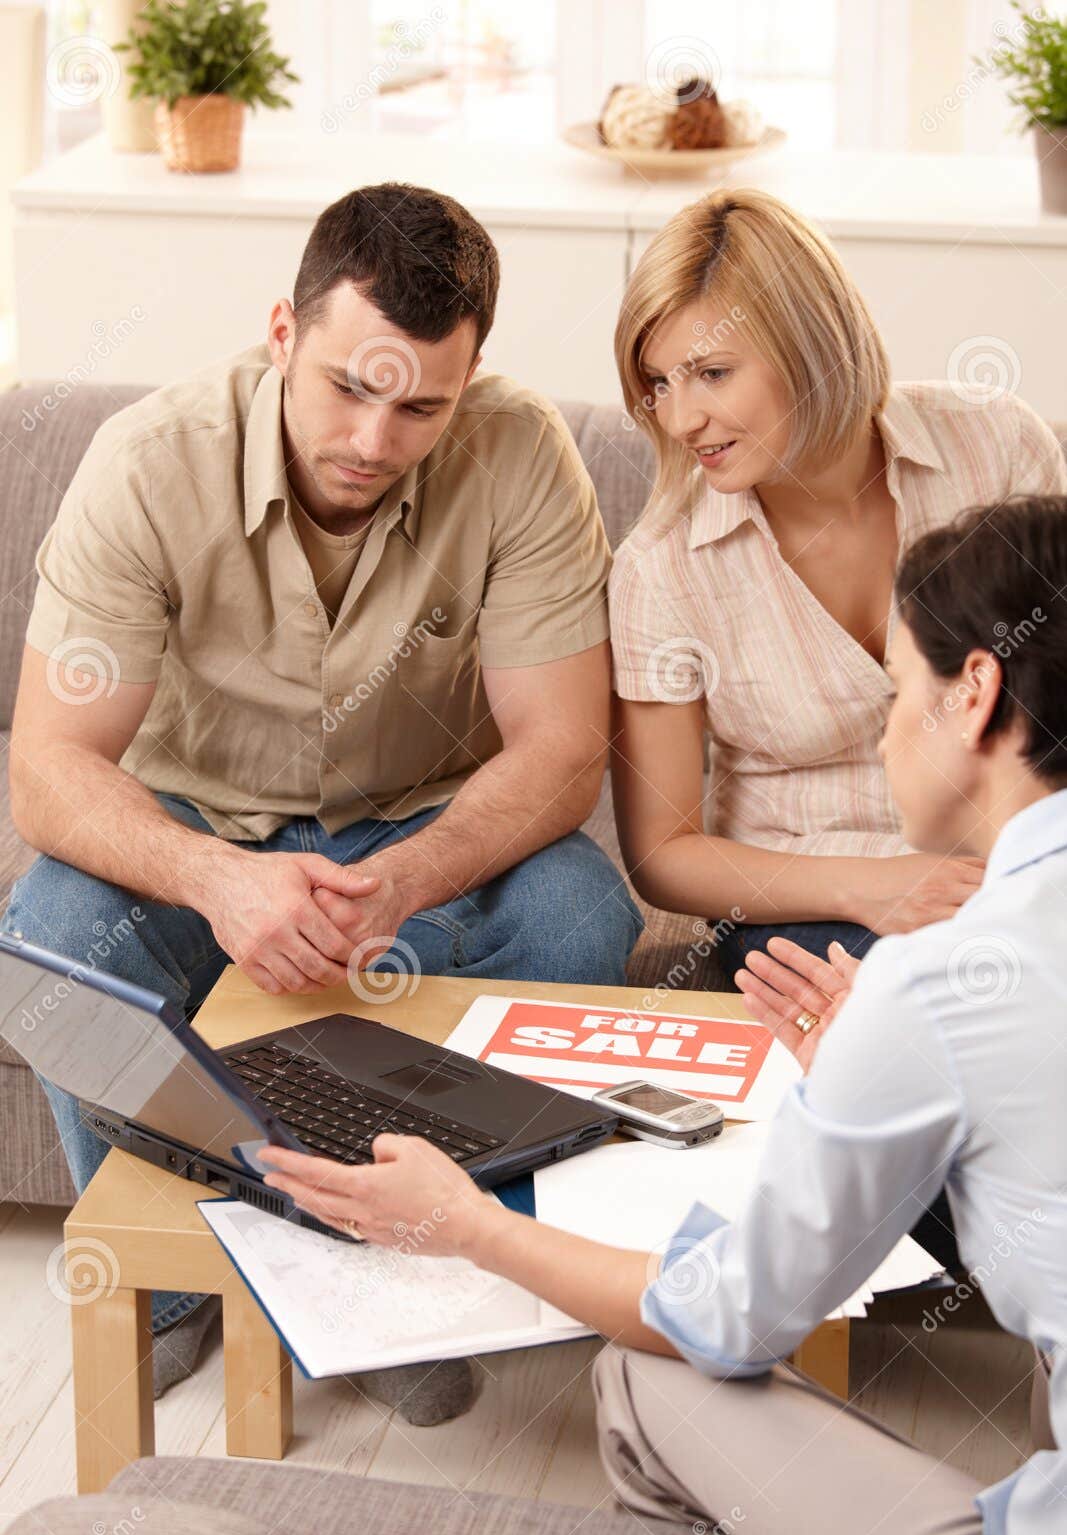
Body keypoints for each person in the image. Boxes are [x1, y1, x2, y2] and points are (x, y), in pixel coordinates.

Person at [258, 494, 1067, 1535]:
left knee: (649, 1378)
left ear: (972, 693)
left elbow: (727, 1324)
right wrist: (881, 1081)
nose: (884, 734)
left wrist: (466, 1225)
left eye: (894, 692)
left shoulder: (934, 983)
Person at [3, 181, 642, 1415]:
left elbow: (561, 753)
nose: (373, 437)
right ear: (282, 334)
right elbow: (49, 769)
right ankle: (191, 1285)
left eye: (419, 408)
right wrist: (218, 880)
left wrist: (404, 877)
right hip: (195, 838)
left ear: (468, 382)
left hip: (416, 845)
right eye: (349, 386)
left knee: (577, 918)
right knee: (53, 940)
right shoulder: (146, 464)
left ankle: (422, 1282)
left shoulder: (520, 456)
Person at [607, 187, 1067, 980]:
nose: (680, 419)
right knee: (946, 997)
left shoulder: (994, 444)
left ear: (810, 345)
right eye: (658, 383)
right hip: (811, 905)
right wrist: (870, 888)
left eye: (711, 373)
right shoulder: (661, 566)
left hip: (1018, 871)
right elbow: (662, 853)